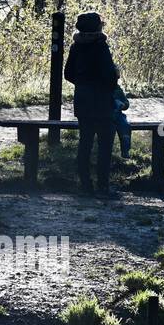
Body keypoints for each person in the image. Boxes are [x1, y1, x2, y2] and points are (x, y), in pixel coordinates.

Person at [63, 11, 121, 198]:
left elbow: (68, 74)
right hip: (102, 103)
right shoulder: (100, 47)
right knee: (104, 146)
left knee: (85, 143)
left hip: (82, 101)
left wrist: (83, 83)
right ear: (98, 28)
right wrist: (115, 76)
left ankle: (85, 186)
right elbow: (109, 77)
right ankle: (103, 188)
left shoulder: (75, 47)